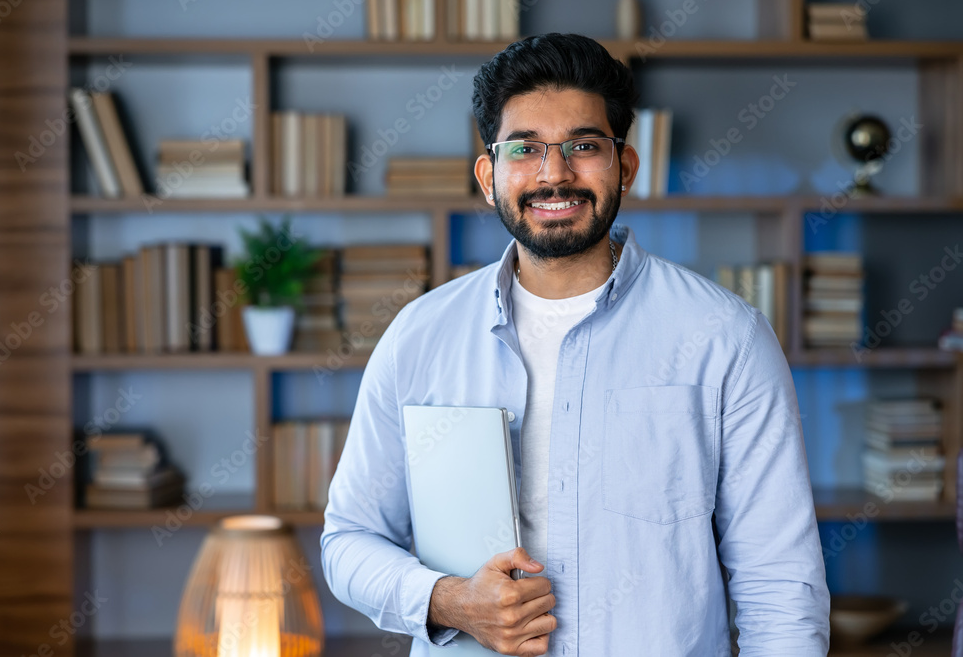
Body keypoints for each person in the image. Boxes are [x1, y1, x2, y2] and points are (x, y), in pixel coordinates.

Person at [321, 32, 830, 656]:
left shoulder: (726, 338)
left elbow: (780, 586)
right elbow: (348, 540)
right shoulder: (420, 336)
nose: (553, 173)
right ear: (489, 176)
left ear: (627, 166)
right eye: (524, 149)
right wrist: (449, 601)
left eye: (583, 146)